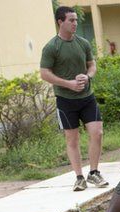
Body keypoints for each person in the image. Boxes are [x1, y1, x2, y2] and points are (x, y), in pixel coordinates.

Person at [40, 6, 107, 192]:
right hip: (65, 99)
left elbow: (92, 65)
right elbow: (45, 73)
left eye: (76, 20)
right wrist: (67, 83)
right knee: (72, 139)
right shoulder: (52, 47)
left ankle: (94, 173)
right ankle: (79, 178)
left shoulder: (83, 43)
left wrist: (88, 76)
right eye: (71, 20)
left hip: (87, 97)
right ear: (60, 22)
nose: (75, 23)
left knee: (97, 132)